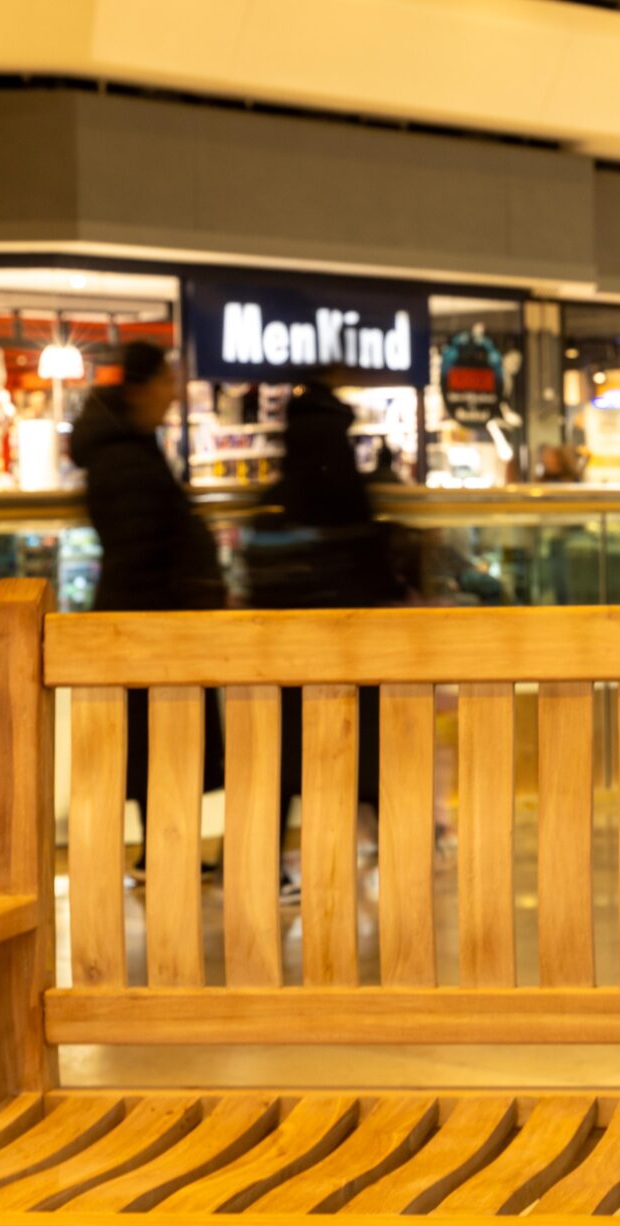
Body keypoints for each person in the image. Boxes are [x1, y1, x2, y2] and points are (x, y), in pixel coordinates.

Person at [248, 370, 409, 900]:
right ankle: (399, 858)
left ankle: (266, 870)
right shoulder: (350, 494)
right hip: (351, 655)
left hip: (287, 660)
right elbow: (377, 576)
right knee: (369, 754)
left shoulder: (277, 500)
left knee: (280, 764)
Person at [70, 341, 226, 841]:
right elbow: (145, 544)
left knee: (150, 747)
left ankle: (162, 850)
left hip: (142, 623)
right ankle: (165, 852)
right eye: (165, 381)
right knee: (160, 745)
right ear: (141, 387)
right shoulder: (128, 455)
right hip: (152, 627)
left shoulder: (124, 447)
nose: (173, 393)